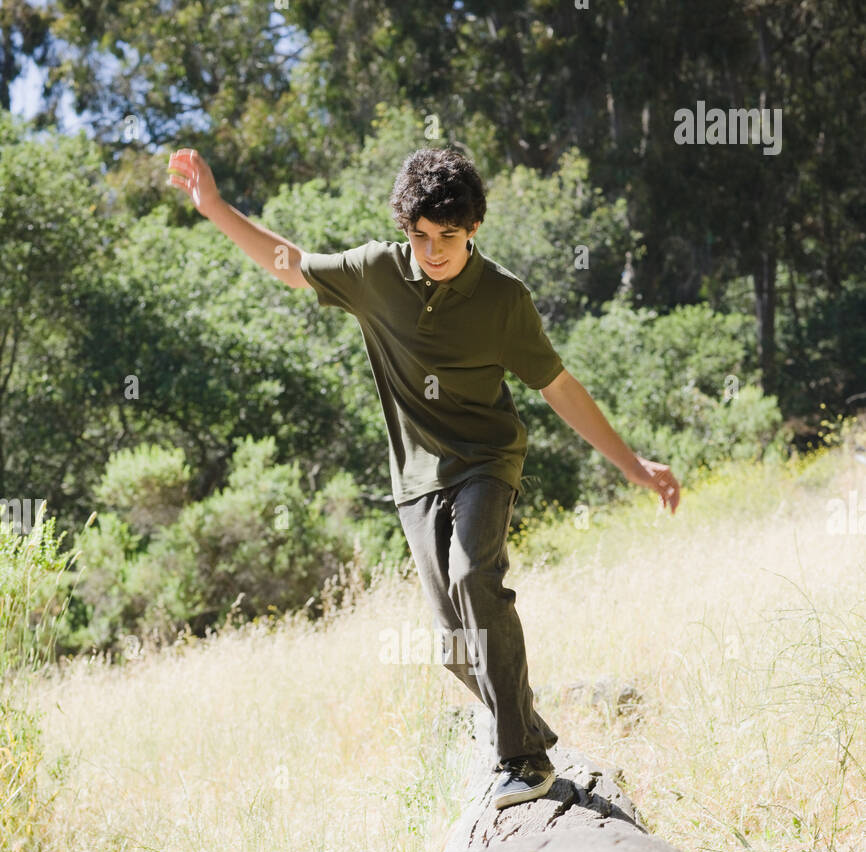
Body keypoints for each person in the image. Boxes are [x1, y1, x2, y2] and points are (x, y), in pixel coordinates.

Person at [167, 145, 680, 808]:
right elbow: (288, 264)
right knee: (454, 647)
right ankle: (531, 729)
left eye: (448, 237)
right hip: (416, 478)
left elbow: (559, 387)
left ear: (473, 231)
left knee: (474, 577)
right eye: (419, 236)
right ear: (403, 228)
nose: (432, 251)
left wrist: (633, 464)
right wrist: (213, 206)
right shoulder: (378, 272)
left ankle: (524, 759)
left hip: (488, 462)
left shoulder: (503, 300)